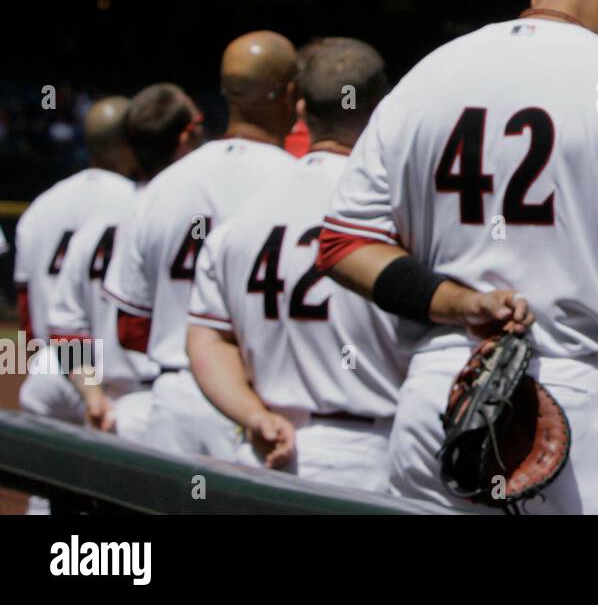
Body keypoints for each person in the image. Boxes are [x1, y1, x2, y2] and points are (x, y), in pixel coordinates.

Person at [318, 0, 598, 513]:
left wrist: (458, 302)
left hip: (436, 389)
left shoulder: (428, 75)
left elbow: (342, 244)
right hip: (571, 388)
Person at [186, 39, 415, 492]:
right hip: (374, 456)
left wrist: (254, 415)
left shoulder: (243, 216)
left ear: (300, 107)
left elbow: (207, 338)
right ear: (383, 108)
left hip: (267, 453)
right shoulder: (400, 210)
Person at [105, 32, 299, 460]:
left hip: (172, 401)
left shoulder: (162, 185)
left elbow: (130, 328)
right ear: (291, 94)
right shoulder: (298, 182)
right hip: (258, 403)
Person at [46, 83, 204, 440]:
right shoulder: (205, 218)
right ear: (186, 139)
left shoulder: (97, 226)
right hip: (184, 402)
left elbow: (65, 328)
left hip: (116, 409)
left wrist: (93, 394)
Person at [13, 96, 136, 514]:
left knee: (43, 498)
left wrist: (44, 361)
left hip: (50, 369)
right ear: (128, 143)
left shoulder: (42, 205)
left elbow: (29, 313)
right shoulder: (140, 200)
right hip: (113, 377)